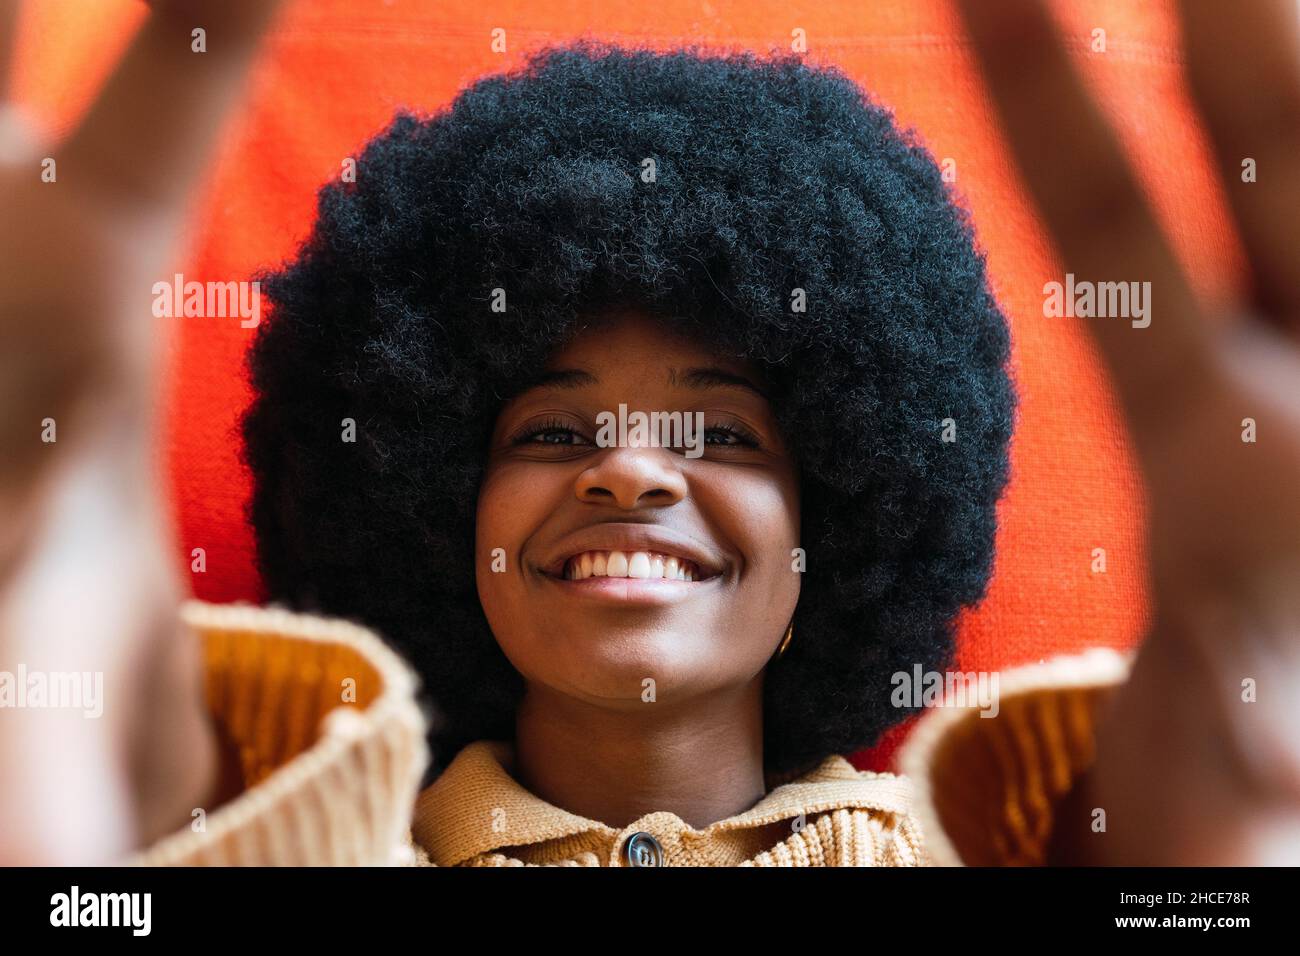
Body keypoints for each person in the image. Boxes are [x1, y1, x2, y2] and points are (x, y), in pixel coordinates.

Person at [1, 0, 1297, 867]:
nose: (627, 469)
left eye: (724, 436)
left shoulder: (975, 850)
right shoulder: (322, 841)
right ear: (441, 516)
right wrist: (48, 542)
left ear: (833, 536)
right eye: (554, 433)